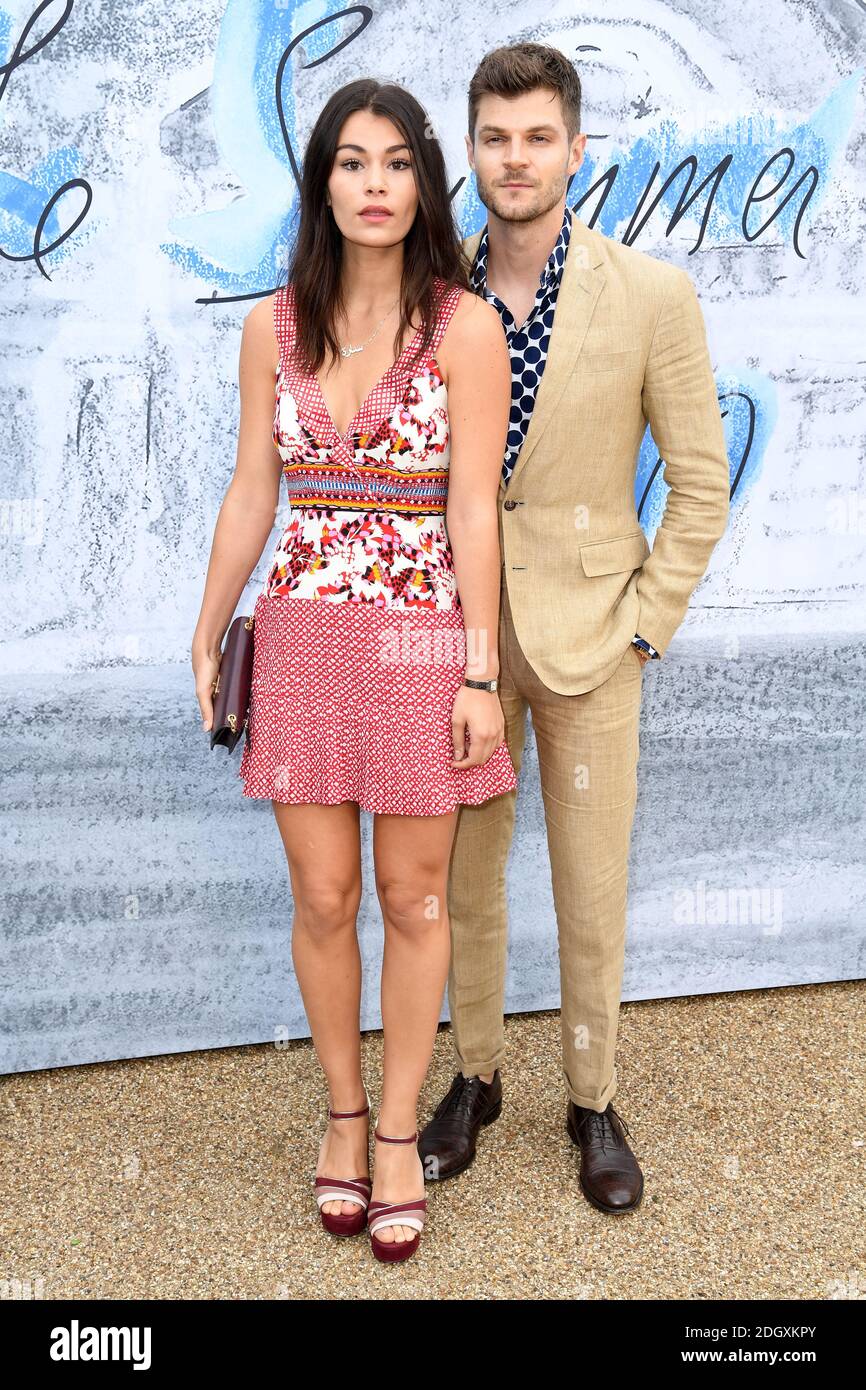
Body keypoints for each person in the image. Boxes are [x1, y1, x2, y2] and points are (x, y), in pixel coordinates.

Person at [191, 79, 517, 1262]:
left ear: (423, 181)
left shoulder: (462, 326)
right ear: (320, 180)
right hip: (305, 634)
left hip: (422, 639)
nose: (373, 185)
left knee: (411, 897)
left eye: (394, 163)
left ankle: (394, 1135)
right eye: (349, 162)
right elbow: (251, 488)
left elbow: (472, 508)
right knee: (323, 898)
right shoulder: (271, 324)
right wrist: (210, 618)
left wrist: (478, 670)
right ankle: (338, 1114)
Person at [418, 43, 730, 1213]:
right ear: (473, 151)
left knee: (592, 889)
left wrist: (645, 624)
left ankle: (591, 1101)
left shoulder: (650, 295)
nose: (514, 157)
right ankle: (474, 1077)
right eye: (494, 137)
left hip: (597, 638)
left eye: (536, 136)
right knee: (466, 882)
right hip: (460, 649)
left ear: (573, 149)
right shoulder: (428, 291)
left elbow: (699, 481)